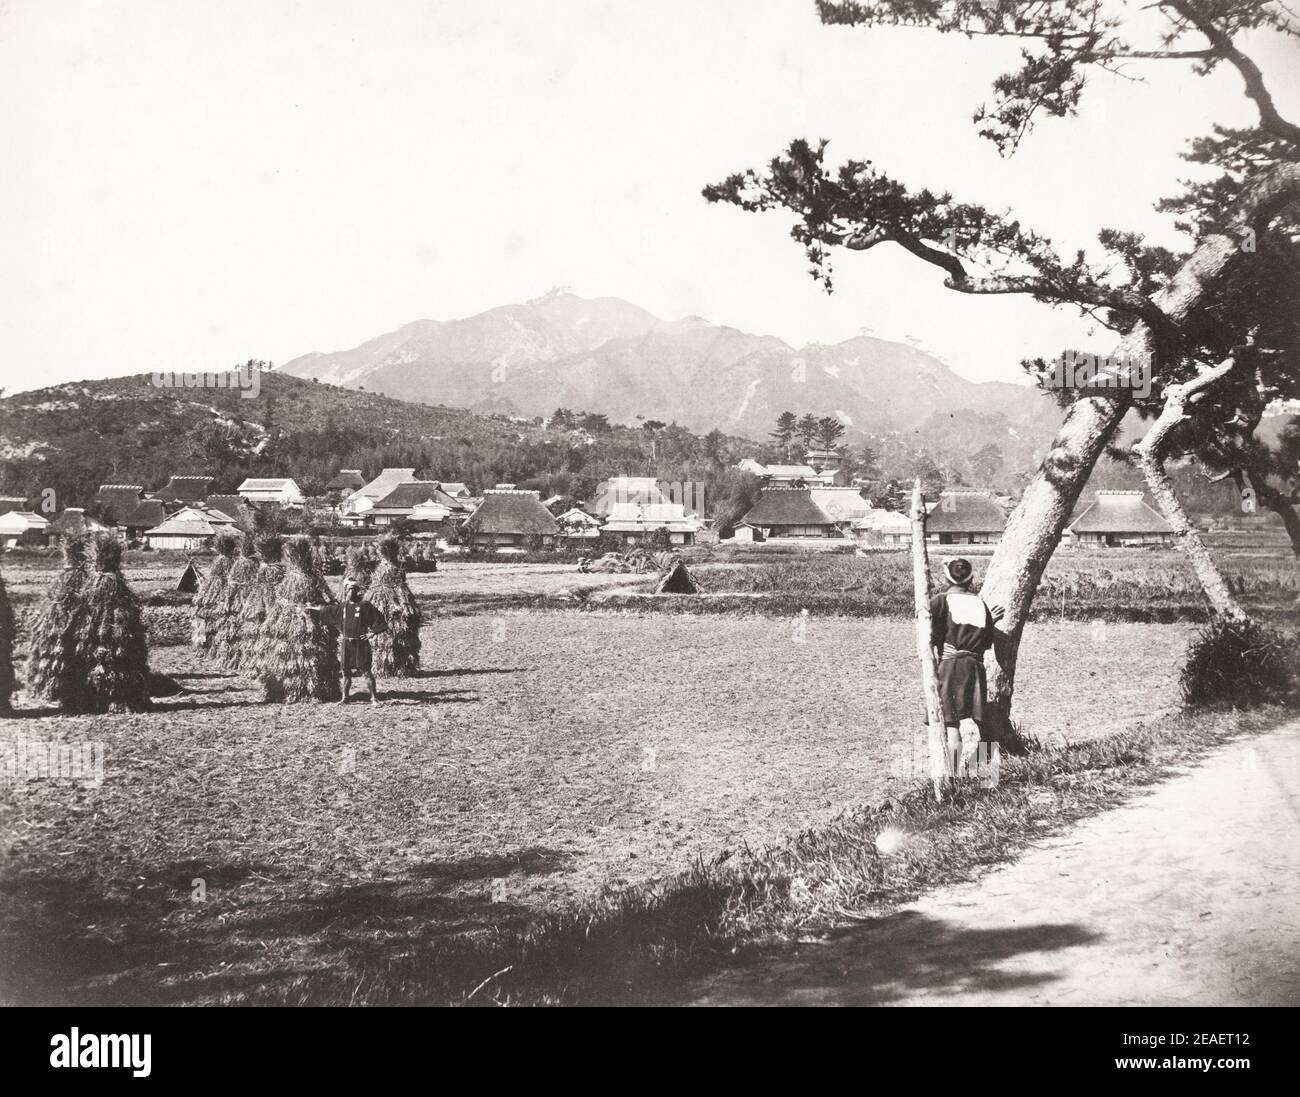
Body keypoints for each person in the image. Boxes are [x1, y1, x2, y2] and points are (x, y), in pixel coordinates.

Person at [929, 558, 1004, 779]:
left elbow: (930, 636)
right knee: (982, 722)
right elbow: (987, 641)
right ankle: (981, 771)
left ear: (945, 577)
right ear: (971, 579)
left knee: (952, 724)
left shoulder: (939, 601)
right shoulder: (981, 604)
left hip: (951, 665)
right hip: (975, 666)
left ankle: (953, 778)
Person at [317, 579, 388, 703]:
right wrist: (312, 607)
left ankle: (373, 698)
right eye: (348, 589)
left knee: (366, 671)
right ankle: (345, 698)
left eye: (353, 589)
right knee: (346, 672)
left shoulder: (365, 605)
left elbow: (380, 620)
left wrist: (373, 632)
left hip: (361, 643)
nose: (350, 591)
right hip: (346, 644)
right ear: (346, 591)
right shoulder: (343, 606)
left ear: (357, 591)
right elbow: (327, 610)